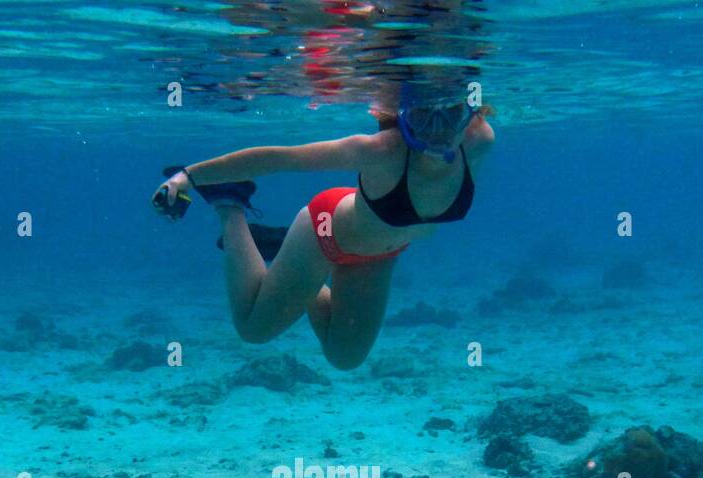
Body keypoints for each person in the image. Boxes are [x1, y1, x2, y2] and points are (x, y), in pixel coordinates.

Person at [152, 86, 494, 370]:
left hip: (381, 251)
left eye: (450, 114)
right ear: (404, 119)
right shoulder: (381, 152)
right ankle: (230, 204)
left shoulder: (479, 142)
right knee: (254, 328)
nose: (438, 132)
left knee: (344, 358)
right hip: (324, 232)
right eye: (422, 117)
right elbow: (283, 158)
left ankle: (284, 254)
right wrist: (189, 177)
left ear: (470, 112)